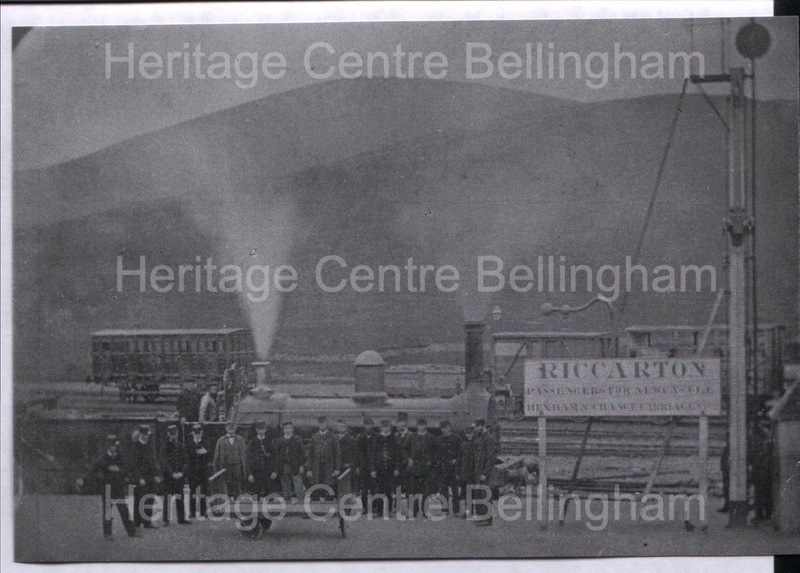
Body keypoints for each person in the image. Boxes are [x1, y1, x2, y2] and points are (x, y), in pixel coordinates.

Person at [78, 434, 138, 539]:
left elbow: (127, 469)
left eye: (116, 446)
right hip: (107, 488)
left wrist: (119, 470)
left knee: (124, 510)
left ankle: (132, 532)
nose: (115, 448)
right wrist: (83, 479)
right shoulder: (103, 458)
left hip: (118, 488)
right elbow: (93, 469)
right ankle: (108, 533)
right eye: (112, 446)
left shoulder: (120, 457)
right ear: (109, 447)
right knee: (107, 512)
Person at [130, 424, 162, 529]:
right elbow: (134, 465)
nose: (146, 436)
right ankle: (137, 522)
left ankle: (147, 522)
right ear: (140, 434)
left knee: (149, 499)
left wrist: (157, 474)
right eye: (144, 434)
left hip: (150, 476)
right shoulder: (135, 447)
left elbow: (154, 461)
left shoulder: (149, 445)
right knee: (139, 499)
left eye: (147, 434)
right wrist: (139, 478)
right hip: (141, 478)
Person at [369, 419, 401, 516]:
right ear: (381, 428)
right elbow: (372, 455)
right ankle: (379, 511)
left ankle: (389, 510)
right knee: (379, 490)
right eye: (384, 427)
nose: (385, 428)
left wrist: (397, 468)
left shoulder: (394, 439)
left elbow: (398, 455)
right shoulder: (377, 438)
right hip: (379, 468)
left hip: (390, 468)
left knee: (389, 490)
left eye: (387, 426)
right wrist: (372, 469)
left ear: (390, 427)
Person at [160, 424, 189, 525]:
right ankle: (166, 520)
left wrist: (182, 472)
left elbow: (185, 461)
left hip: (179, 476)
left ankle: (181, 519)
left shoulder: (181, 446)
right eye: (172, 434)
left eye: (175, 434)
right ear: (168, 434)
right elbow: (164, 462)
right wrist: (172, 473)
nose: (174, 436)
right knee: (167, 498)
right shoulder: (164, 447)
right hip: (169, 477)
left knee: (180, 497)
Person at [407, 418, 436, 518]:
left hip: (426, 467)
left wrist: (431, 460)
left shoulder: (431, 437)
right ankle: (413, 511)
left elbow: (436, 451)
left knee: (426, 491)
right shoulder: (412, 436)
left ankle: (425, 511)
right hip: (414, 467)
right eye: (419, 425)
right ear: (417, 426)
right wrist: (408, 459)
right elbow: (404, 448)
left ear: (426, 425)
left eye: (423, 425)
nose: (421, 427)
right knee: (412, 490)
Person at [307, 415, 341, 499]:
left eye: (324, 423)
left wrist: (337, 468)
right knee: (315, 489)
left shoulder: (333, 437)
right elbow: (310, 454)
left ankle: (329, 509)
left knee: (328, 489)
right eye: (320, 423)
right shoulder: (314, 437)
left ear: (327, 423)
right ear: (318, 424)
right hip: (316, 467)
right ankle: (315, 510)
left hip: (328, 468)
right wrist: (309, 469)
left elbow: (337, 453)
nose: (322, 425)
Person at [213, 421, 248, 499]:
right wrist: (216, 469)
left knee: (238, 485)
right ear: (225, 428)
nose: (231, 428)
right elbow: (217, 455)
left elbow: (244, 454)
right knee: (225, 485)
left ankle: (237, 502)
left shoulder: (240, 439)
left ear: (236, 427)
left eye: (233, 426)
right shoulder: (221, 440)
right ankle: (226, 502)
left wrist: (245, 468)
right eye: (229, 426)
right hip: (225, 466)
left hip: (237, 466)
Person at [473, 418, 497, 526]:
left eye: (477, 426)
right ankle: (483, 517)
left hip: (484, 473)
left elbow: (490, 458)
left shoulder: (488, 438)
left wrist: (485, 473)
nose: (476, 429)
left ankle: (488, 519)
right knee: (482, 494)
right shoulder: (482, 437)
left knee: (486, 494)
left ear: (482, 426)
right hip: (480, 472)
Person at [275, 421, 306, 501]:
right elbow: (277, 455)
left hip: (295, 466)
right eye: (285, 428)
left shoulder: (297, 439)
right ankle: (287, 503)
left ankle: (300, 503)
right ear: (283, 430)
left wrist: (301, 465)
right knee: (285, 485)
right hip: (284, 466)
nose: (287, 430)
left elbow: (303, 454)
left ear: (292, 429)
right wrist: (278, 467)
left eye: (289, 428)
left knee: (298, 485)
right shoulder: (280, 441)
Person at [246, 422, 278, 498]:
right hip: (256, 471)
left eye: (263, 429)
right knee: (255, 492)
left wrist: (275, 471)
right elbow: (248, 458)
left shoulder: (269, 441)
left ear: (265, 430)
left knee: (269, 492)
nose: (261, 431)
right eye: (259, 429)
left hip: (268, 470)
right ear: (256, 430)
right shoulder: (252, 442)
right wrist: (249, 473)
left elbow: (275, 457)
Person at [185, 422, 210, 518]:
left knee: (203, 491)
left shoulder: (205, 442)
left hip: (203, 471)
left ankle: (203, 511)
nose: (197, 434)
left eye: (199, 432)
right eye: (195, 432)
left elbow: (209, 455)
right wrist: (196, 451)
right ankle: (192, 511)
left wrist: (205, 452)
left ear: (202, 432)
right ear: (192, 433)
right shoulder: (189, 442)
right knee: (192, 492)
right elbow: (187, 456)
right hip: (193, 471)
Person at [437, 420, 461, 515]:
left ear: (450, 427)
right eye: (443, 428)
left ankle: (456, 510)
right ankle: (444, 509)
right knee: (443, 491)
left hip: (453, 469)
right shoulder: (439, 439)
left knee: (455, 491)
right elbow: (437, 453)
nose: (444, 430)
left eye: (446, 428)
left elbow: (461, 451)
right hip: (443, 468)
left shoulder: (456, 438)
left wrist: (456, 459)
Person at [356, 418, 376, 511]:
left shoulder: (376, 436)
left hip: (373, 466)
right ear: (364, 426)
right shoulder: (360, 437)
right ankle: (364, 507)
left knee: (374, 488)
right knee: (364, 488)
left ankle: (374, 506)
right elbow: (357, 452)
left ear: (372, 425)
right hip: (363, 466)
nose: (368, 426)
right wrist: (357, 466)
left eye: (370, 425)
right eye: (366, 425)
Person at [395, 414, 413, 515]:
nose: (401, 426)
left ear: (406, 424)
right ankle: (398, 508)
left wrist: (411, 462)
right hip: (398, 466)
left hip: (409, 466)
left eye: (403, 424)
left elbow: (414, 451)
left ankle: (410, 509)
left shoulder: (412, 436)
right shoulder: (395, 437)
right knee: (397, 488)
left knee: (409, 489)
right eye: (399, 424)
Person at [458, 425, 477, 518]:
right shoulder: (463, 445)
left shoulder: (477, 445)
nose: (469, 435)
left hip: (474, 473)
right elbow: (459, 459)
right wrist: (458, 472)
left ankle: (476, 511)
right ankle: (468, 511)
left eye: (470, 433)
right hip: (465, 473)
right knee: (466, 495)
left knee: (475, 494)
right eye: (467, 434)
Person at [336, 421, 358, 498]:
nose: (341, 428)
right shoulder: (333, 439)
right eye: (339, 426)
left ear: (346, 428)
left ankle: (346, 508)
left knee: (346, 490)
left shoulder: (351, 440)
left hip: (346, 469)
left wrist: (350, 464)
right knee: (336, 490)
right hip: (335, 468)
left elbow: (355, 454)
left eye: (342, 426)